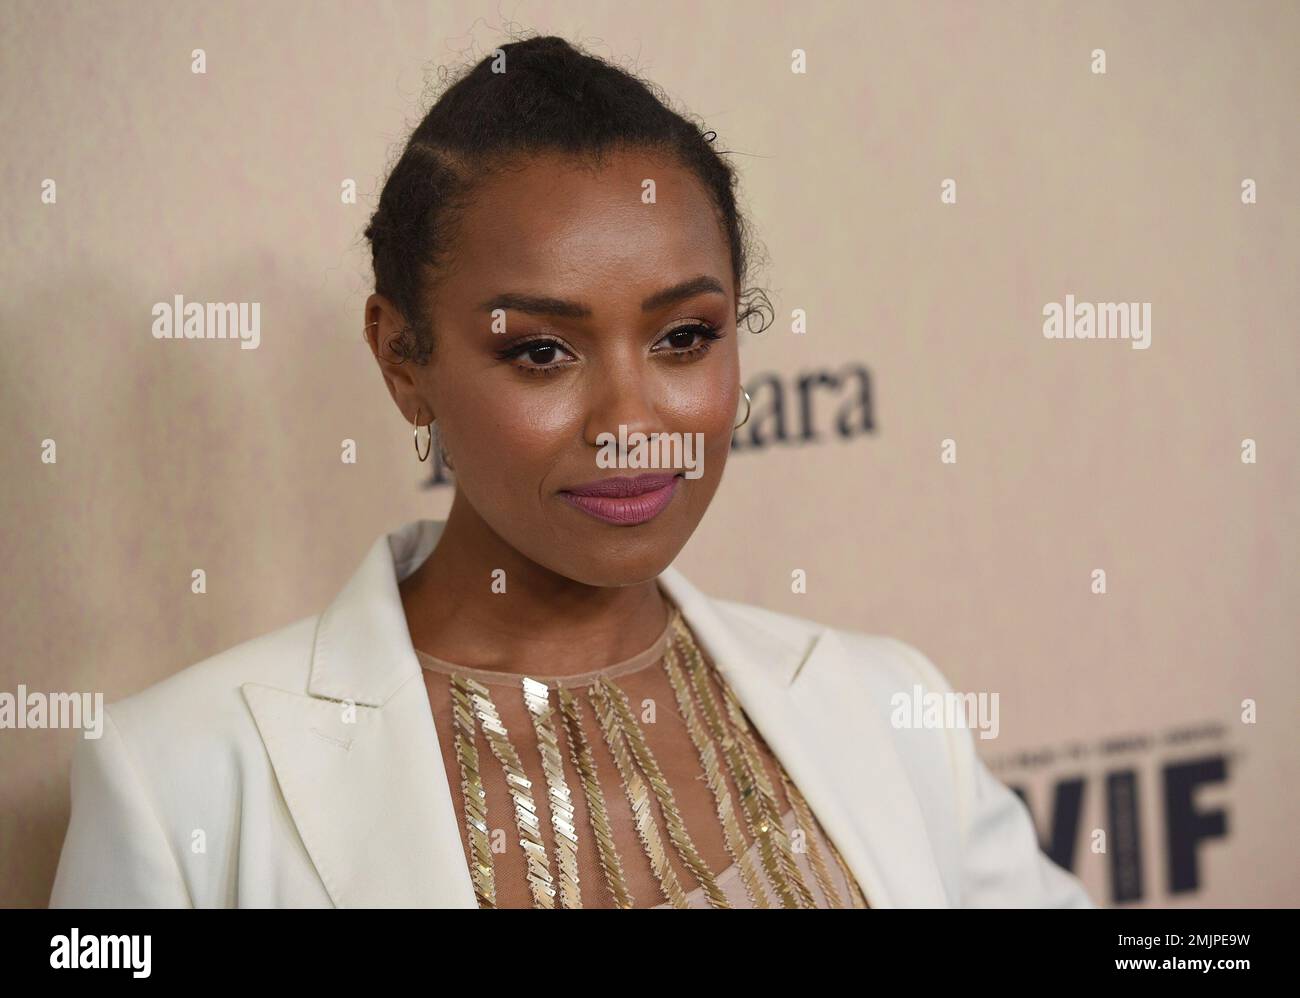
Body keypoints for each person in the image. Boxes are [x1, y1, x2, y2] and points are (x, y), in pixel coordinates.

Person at [49, 35, 1093, 909]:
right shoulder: (177, 776)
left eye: (685, 336)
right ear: (402, 360)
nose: (633, 422)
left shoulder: (882, 701)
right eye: (541, 351)